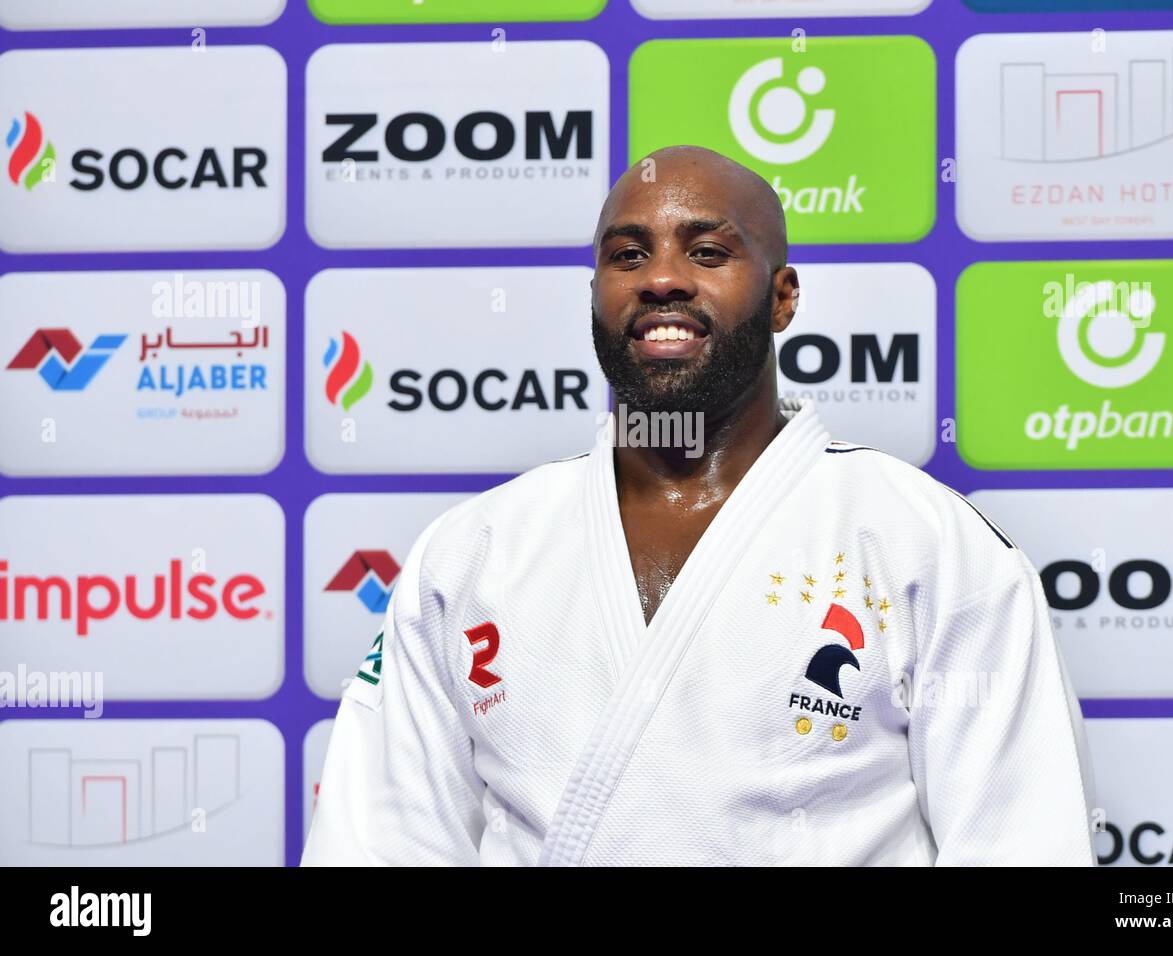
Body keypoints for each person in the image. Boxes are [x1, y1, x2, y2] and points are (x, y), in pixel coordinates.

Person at [302, 145, 1097, 866]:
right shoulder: (472, 552)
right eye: (628, 255)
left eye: (709, 251)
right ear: (595, 294)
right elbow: (378, 841)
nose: (662, 279)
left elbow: (1026, 843)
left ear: (783, 297)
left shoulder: (926, 544)